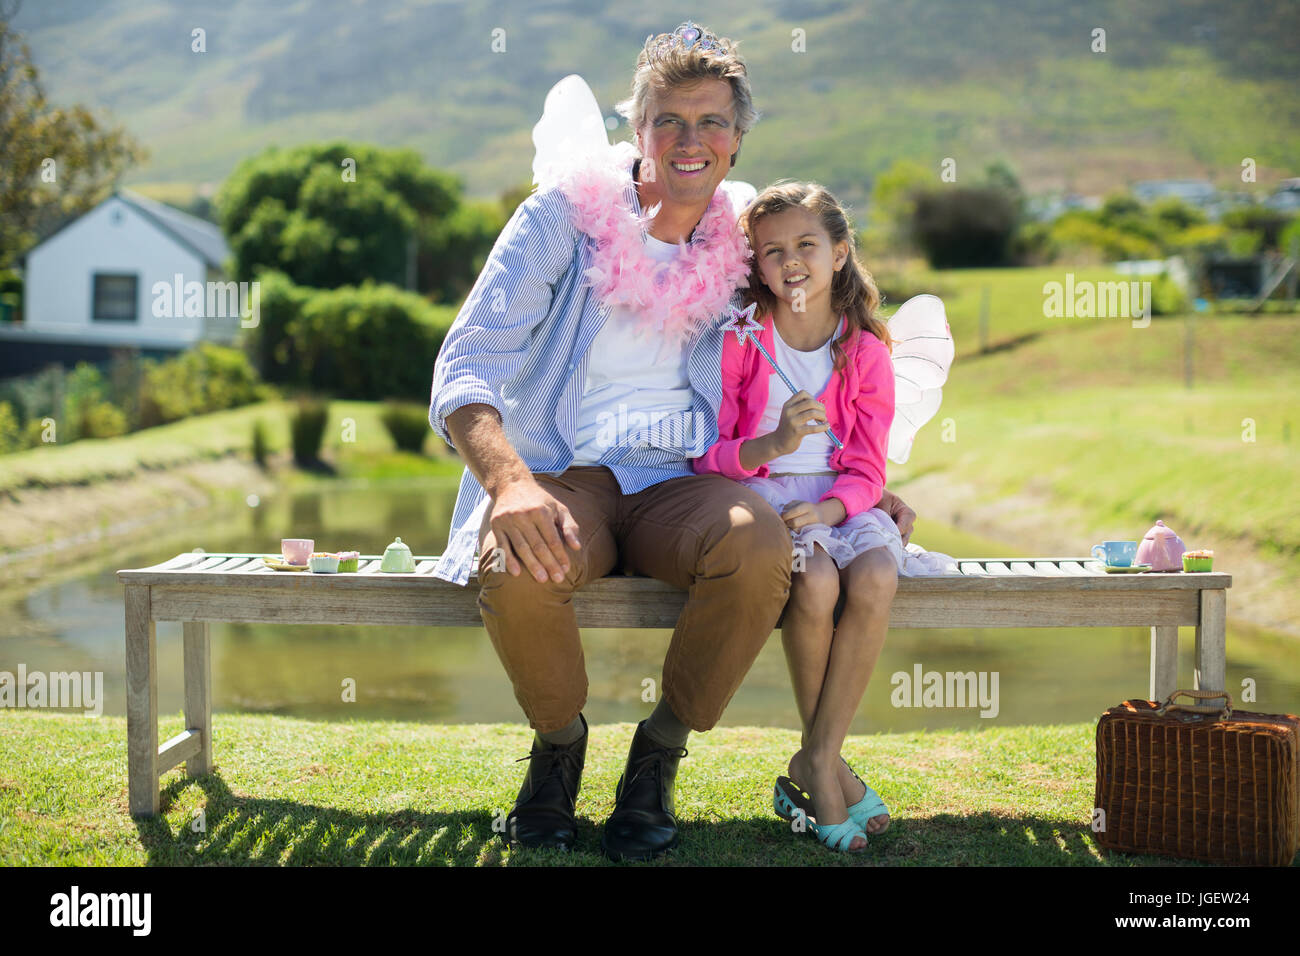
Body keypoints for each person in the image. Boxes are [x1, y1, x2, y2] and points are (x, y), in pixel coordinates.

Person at [428, 22, 919, 861]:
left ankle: (658, 754)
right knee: (514, 561)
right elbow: (467, 362)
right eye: (669, 120)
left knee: (759, 544)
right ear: (638, 127)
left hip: (684, 479)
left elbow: (829, 338)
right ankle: (558, 749)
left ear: (737, 141)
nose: (690, 141)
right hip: (561, 471)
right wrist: (510, 482)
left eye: (712, 123)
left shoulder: (741, 247)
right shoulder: (561, 218)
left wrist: (854, 479)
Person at [693, 180, 957, 852]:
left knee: (873, 576)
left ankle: (815, 759)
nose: (790, 261)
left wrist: (835, 507)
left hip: (842, 500)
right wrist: (772, 445)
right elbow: (709, 456)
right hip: (766, 500)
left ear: (839, 252)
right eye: (771, 250)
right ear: (755, 262)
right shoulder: (741, 343)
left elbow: (870, 467)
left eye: (806, 244)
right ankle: (826, 767)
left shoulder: (864, 350)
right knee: (814, 583)